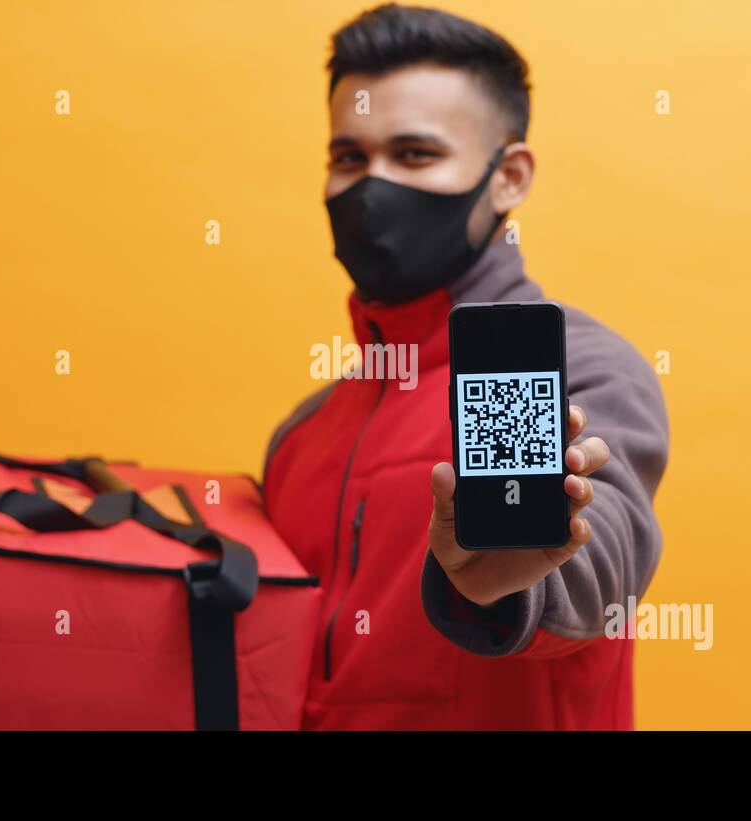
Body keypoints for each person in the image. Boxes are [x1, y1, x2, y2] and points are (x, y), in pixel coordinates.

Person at [262, 3, 670, 730]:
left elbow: (602, 553)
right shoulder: (303, 433)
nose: (371, 187)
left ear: (508, 176)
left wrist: (514, 581)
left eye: (415, 154)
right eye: (349, 158)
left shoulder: (583, 371)